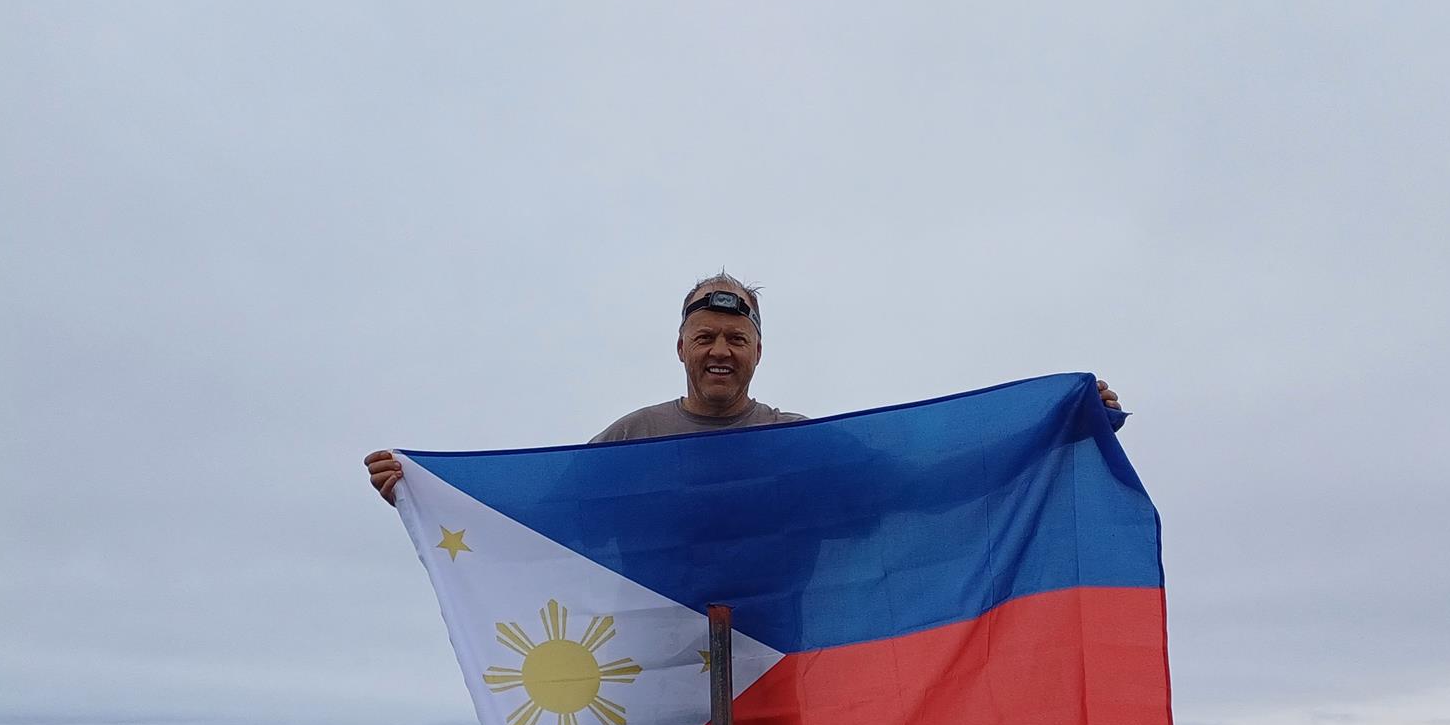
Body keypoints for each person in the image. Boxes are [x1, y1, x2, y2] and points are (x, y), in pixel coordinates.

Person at [362, 272, 1122, 501]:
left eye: (736, 339)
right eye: (706, 339)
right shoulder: (634, 438)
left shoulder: (796, 442)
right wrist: (425, 492)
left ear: (758, 351)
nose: (719, 352)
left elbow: (924, 486)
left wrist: (1067, 429)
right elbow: (538, 514)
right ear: (681, 349)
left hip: (769, 670)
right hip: (652, 678)